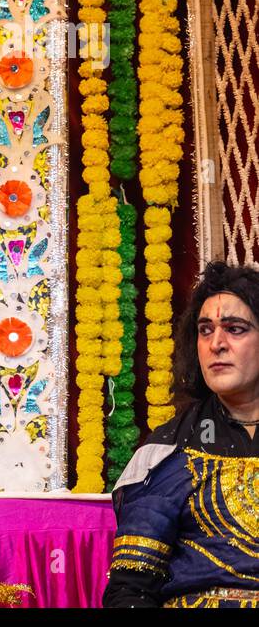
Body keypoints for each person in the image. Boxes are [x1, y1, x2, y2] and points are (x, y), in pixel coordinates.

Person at [104, 261, 259, 608]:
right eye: (205, 330)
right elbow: (130, 591)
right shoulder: (167, 452)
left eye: (235, 329)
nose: (216, 344)